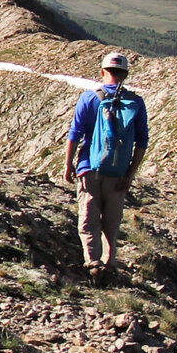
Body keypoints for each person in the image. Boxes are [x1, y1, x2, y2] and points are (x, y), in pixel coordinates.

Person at [64, 51, 148, 281]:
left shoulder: (89, 98)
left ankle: (93, 263)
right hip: (118, 171)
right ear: (125, 74)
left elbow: (75, 134)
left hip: (88, 168)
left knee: (89, 218)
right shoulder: (136, 102)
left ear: (103, 72)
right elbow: (142, 142)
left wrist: (69, 164)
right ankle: (110, 262)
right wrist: (129, 174)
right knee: (111, 220)